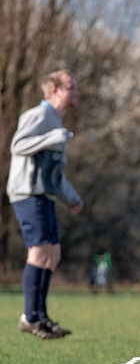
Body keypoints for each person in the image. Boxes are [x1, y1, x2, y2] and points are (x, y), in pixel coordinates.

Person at [6, 70, 83, 339]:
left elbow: (54, 175)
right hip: (27, 193)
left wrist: (70, 196)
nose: (76, 92)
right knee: (39, 253)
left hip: (45, 196)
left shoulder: (57, 123)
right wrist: (53, 138)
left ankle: (42, 317)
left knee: (53, 254)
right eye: (71, 87)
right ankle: (30, 317)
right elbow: (18, 146)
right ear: (54, 91)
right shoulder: (37, 116)